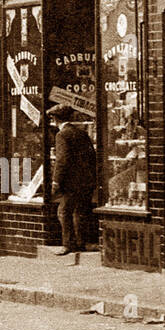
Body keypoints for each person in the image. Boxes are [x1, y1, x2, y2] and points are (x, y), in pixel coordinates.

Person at [50, 104, 96, 255]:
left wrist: (56, 181)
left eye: (52, 118)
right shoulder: (81, 133)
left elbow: (62, 160)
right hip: (86, 180)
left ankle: (68, 244)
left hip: (71, 183)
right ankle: (81, 242)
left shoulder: (62, 135)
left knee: (63, 212)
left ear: (55, 119)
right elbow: (92, 155)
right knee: (79, 212)